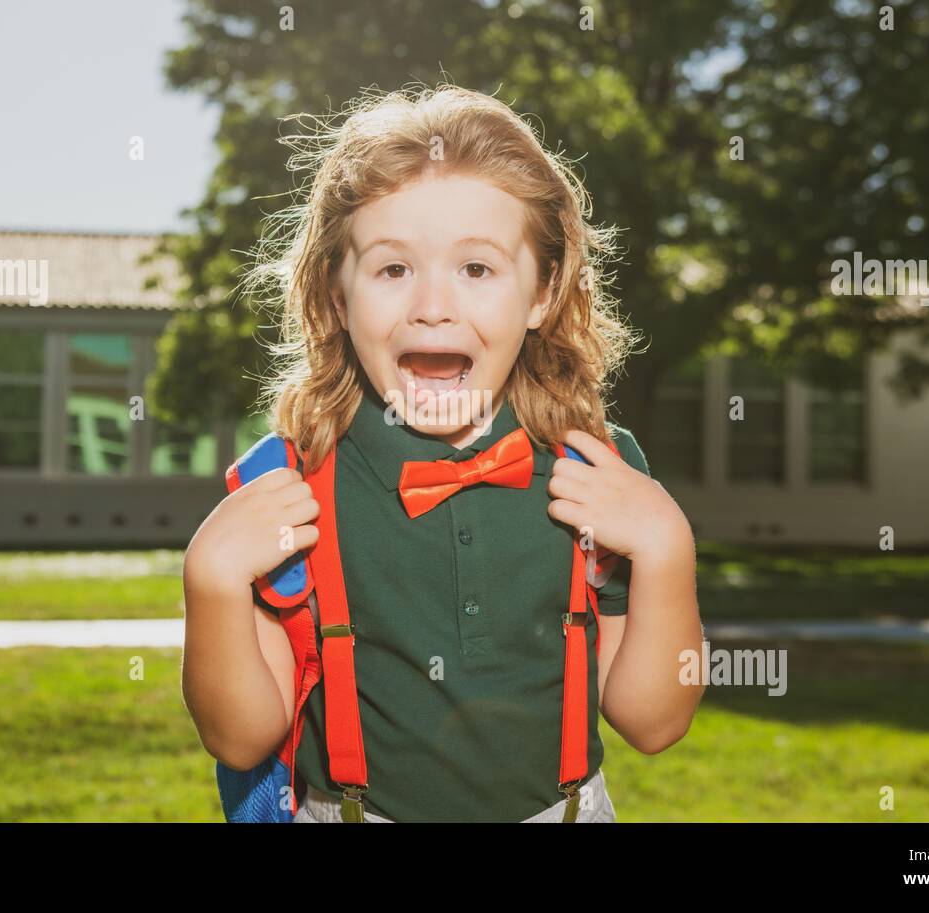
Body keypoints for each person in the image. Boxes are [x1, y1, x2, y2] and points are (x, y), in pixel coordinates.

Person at [182, 83, 705, 823]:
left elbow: (655, 723)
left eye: (477, 269)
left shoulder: (603, 470)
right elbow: (240, 741)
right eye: (393, 269)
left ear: (542, 292)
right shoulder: (295, 482)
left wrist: (667, 548)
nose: (433, 304)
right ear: (338, 295)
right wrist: (209, 582)